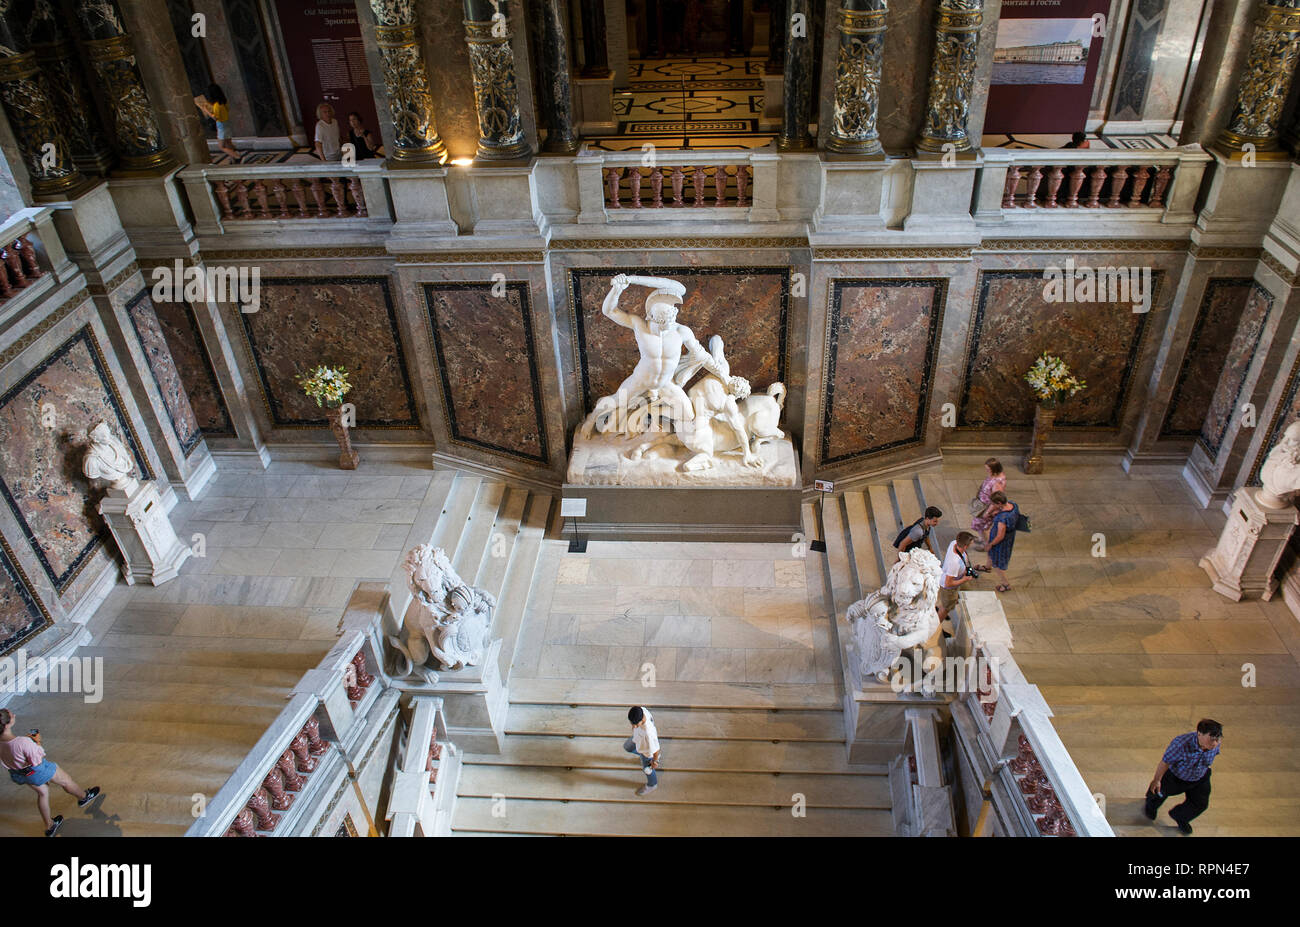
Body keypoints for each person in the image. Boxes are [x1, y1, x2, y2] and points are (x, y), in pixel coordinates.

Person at [0, 709, 100, 836]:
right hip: (37, 770)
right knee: (66, 780)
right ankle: (84, 797)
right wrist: (37, 742)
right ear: (7, 724)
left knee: (43, 793)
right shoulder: (22, 742)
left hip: (20, 774)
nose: (14, 715)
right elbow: (37, 759)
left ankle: (50, 825)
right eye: (11, 715)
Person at [1145, 719, 1222, 834]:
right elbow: (1165, 762)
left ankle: (1180, 816)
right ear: (1199, 733)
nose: (1215, 743)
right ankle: (1151, 806)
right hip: (1176, 777)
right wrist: (1157, 780)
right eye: (1212, 739)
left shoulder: (1215, 745)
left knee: (1200, 804)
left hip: (1199, 777)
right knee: (1158, 793)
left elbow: (1212, 756)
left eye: (1217, 739)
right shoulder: (1180, 744)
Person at [937, 531, 979, 629]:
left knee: (960, 597)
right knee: (946, 608)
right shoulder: (954, 563)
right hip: (949, 588)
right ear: (965, 546)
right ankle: (935, 626)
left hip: (958, 579)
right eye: (970, 544)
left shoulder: (954, 543)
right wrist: (965, 579)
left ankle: (941, 606)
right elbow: (948, 583)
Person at [984, 491, 1019, 592]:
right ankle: (987, 567)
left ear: (999, 503)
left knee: (998, 563)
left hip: (1001, 543)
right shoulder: (1013, 505)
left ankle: (1005, 584)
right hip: (1010, 536)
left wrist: (990, 544)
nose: (992, 505)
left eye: (993, 504)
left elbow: (1000, 536)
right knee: (991, 555)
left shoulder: (1002, 518)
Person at [196, 83, 239, 162]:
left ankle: (237, 156)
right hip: (227, 124)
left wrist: (205, 110)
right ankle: (234, 155)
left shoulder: (216, 105)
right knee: (228, 143)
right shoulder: (223, 102)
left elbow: (215, 117)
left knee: (222, 146)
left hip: (221, 126)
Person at [624, 706, 662, 797]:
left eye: (636, 724)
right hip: (639, 740)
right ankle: (642, 756)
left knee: (647, 769)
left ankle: (652, 784)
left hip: (647, 752)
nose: (633, 726)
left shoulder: (649, 734)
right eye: (632, 723)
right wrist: (636, 728)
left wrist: (655, 760)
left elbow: (656, 748)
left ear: (642, 719)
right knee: (628, 747)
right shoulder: (642, 710)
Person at [971, 458, 1006, 552]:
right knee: (980, 526)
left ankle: (986, 544)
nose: (987, 471)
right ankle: (982, 539)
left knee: (980, 526)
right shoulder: (993, 476)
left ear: (994, 469)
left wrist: (988, 512)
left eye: (988, 469)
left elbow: (996, 501)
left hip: (987, 508)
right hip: (983, 505)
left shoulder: (997, 484)